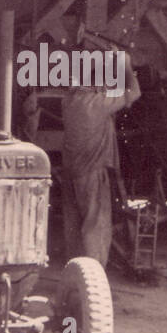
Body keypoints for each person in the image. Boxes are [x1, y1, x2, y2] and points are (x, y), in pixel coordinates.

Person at [60, 49, 141, 267]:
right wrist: (126, 65)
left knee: (75, 227)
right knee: (95, 226)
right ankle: (94, 274)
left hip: (71, 172)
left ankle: (76, 274)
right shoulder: (95, 104)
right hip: (92, 174)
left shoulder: (68, 101)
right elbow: (134, 92)